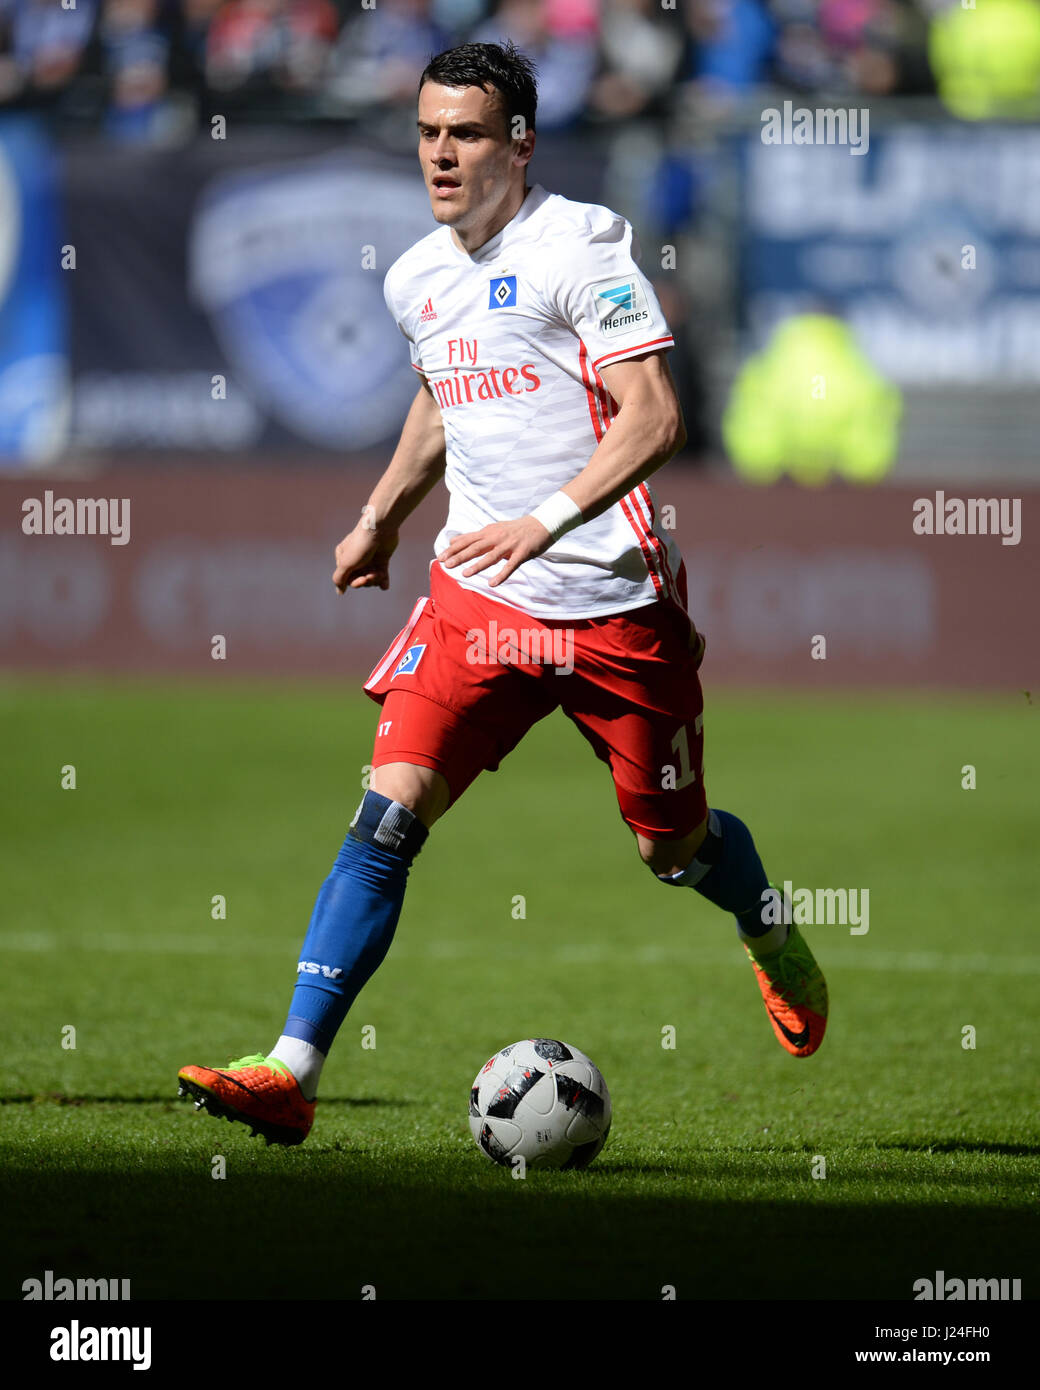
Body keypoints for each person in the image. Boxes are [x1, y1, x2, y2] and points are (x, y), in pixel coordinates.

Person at [177, 40, 828, 1146]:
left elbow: (654, 418)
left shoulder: (581, 248)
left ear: (517, 143)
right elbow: (440, 401)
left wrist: (548, 517)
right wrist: (381, 515)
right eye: (428, 131)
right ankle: (291, 1068)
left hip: (613, 606)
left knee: (669, 851)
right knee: (386, 812)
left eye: (465, 132)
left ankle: (765, 923)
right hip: (479, 605)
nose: (439, 152)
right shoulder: (415, 275)